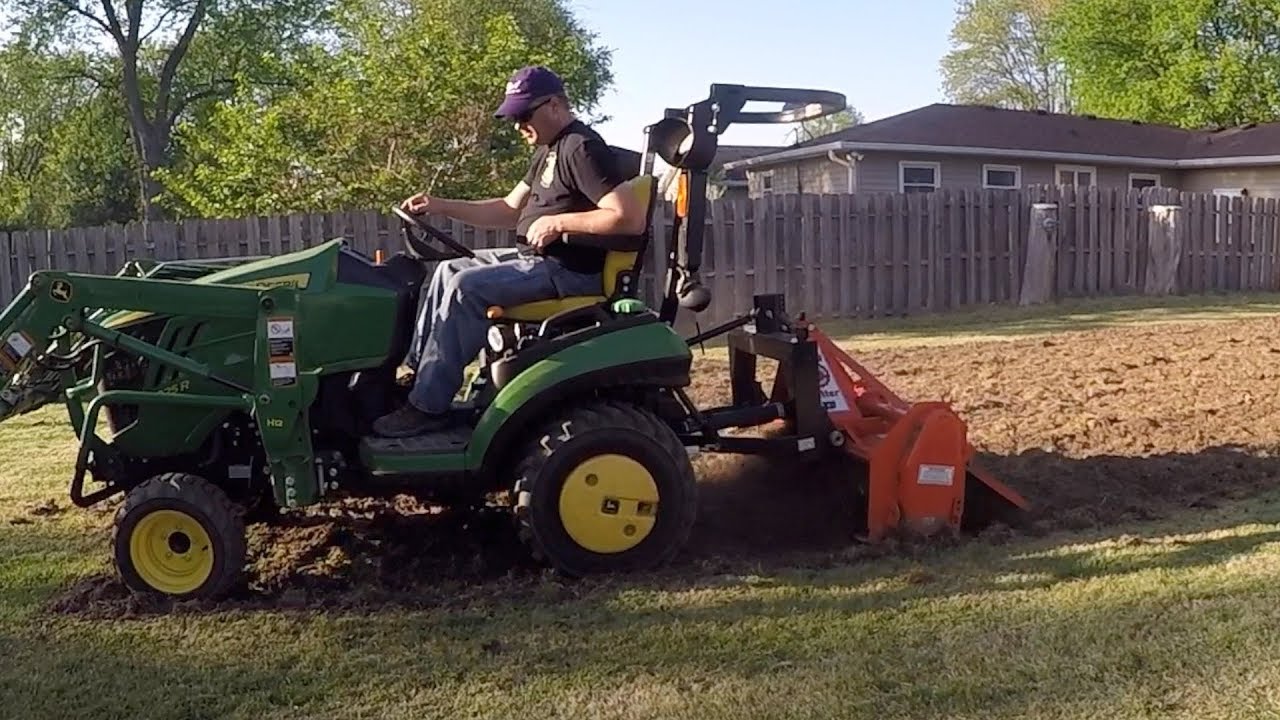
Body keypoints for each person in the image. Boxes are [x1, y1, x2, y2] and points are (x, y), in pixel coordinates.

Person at [373, 65, 647, 438]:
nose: (518, 126)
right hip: (538, 261)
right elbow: (507, 209)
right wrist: (440, 205)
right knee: (447, 271)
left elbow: (627, 217)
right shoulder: (549, 150)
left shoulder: (582, 148)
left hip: (569, 270)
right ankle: (417, 381)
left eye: (523, 115)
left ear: (553, 105)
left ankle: (426, 407)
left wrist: (559, 224)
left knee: (466, 288)